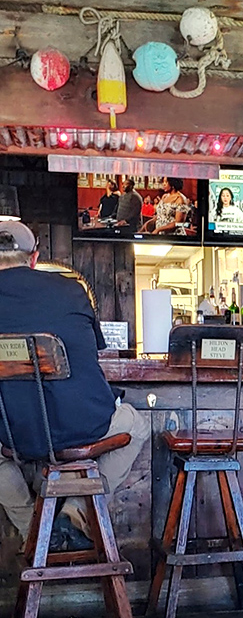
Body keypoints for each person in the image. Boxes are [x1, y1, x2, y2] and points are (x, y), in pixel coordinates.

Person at [0, 222, 150, 552]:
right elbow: (93, 350)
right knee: (137, 424)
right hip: (82, 428)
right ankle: (75, 511)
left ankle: (32, 531)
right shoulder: (71, 290)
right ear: (34, 258)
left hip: (12, 433)